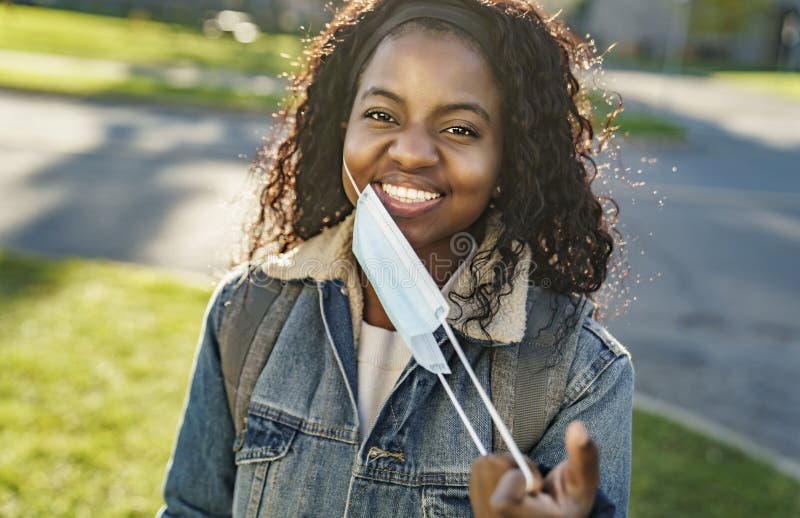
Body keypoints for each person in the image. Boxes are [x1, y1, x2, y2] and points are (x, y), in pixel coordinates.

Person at [158, 0, 634, 516]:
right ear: (343, 126)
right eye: (382, 115)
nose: (410, 152)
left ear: (509, 157)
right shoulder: (247, 313)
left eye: (460, 129)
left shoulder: (579, 373)